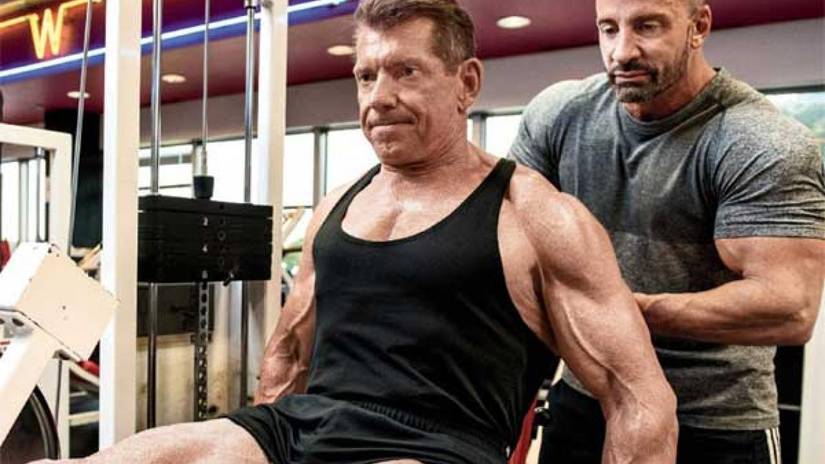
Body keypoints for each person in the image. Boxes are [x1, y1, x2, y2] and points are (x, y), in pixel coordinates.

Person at [42, 1, 677, 463]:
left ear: (467, 83)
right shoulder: (338, 205)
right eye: (367, 76)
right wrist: (257, 437)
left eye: (406, 72)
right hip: (298, 428)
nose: (379, 96)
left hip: (431, 445)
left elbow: (640, 399)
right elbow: (289, 352)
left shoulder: (534, 214)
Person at [509, 0, 825, 462]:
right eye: (608, 28)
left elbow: (789, 308)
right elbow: (509, 238)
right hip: (587, 399)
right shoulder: (561, 114)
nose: (622, 51)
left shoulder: (756, 139)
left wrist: (618, 310)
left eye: (647, 26)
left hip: (713, 421)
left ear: (699, 26)